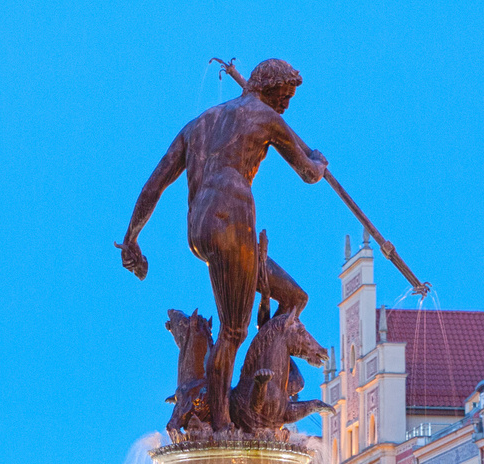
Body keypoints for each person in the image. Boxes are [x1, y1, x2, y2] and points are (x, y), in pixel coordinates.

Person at [120, 58, 329, 429]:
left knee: (295, 298)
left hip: (200, 227)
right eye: (284, 97)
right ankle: (223, 424)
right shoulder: (265, 117)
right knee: (233, 331)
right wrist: (319, 161)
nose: (285, 106)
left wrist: (131, 238)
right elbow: (308, 174)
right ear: (267, 89)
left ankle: (262, 387)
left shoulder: (198, 125)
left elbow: (153, 185)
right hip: (231, 219)